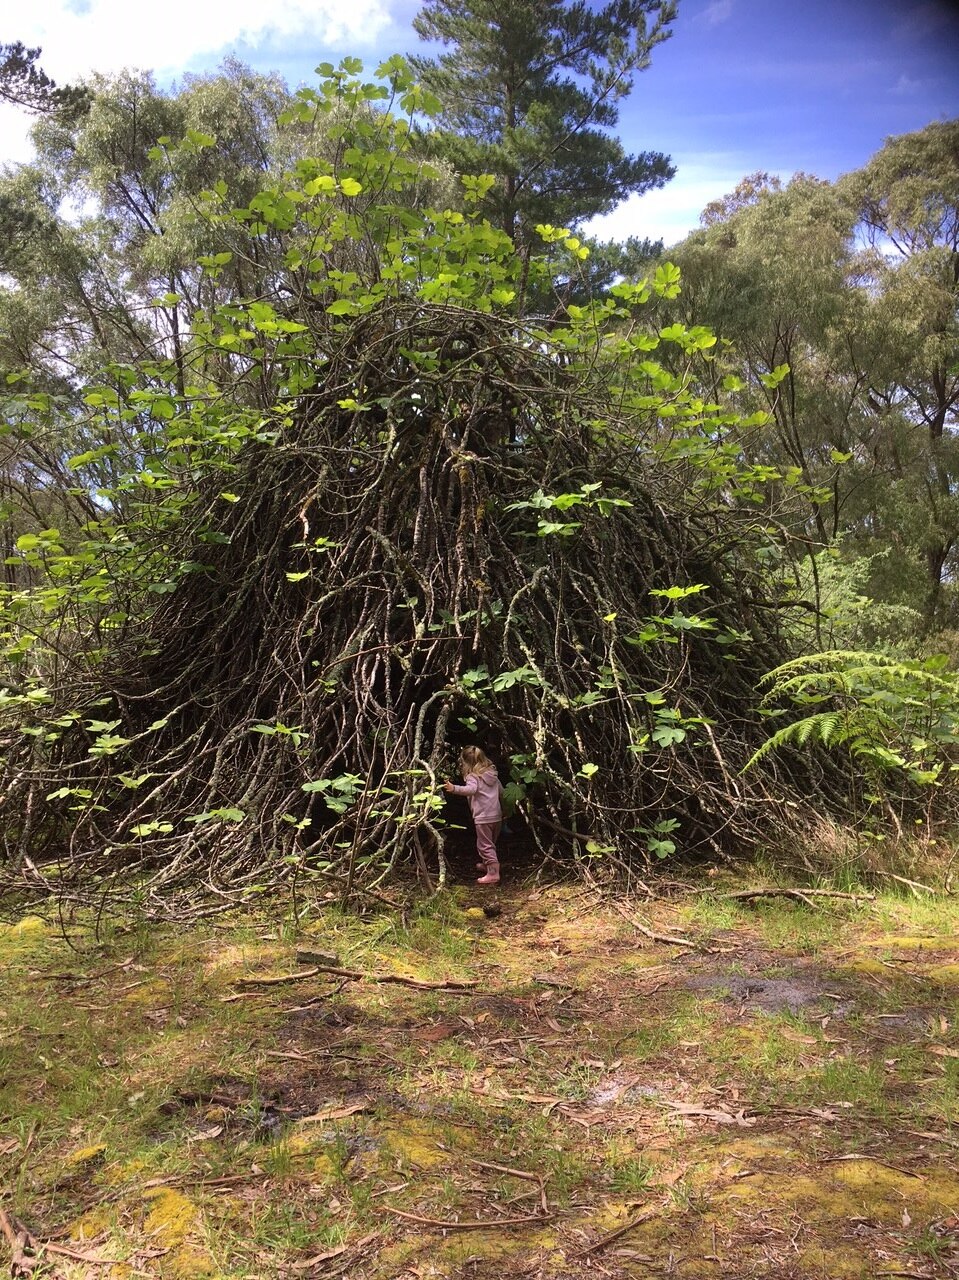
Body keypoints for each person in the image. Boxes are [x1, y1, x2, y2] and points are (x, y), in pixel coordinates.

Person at [443, 746, 503, 885]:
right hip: (496, 815)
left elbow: (471, 790)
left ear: (466, 763)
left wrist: (454, 789)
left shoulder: (473, 777)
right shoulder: (493, 775)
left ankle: (493, 873)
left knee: (484, 845)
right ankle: (488, 865)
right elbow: (501, 792)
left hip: (483, 817)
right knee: (490, 842)